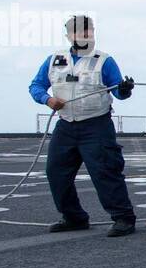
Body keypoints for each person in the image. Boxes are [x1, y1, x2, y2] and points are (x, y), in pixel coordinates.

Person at [29, 16, 137, 236]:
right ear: (69, 35)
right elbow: (36, 85)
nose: (87, 35)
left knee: (105, 171)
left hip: (96, 124)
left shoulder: (104, 61)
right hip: (66, 124)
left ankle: (123, 218)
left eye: (89, 31)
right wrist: (47, 99)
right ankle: (73, 217)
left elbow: (117, 91)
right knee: (55, 172)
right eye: (80, 32)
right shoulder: (53, 59)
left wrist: (125, 89)